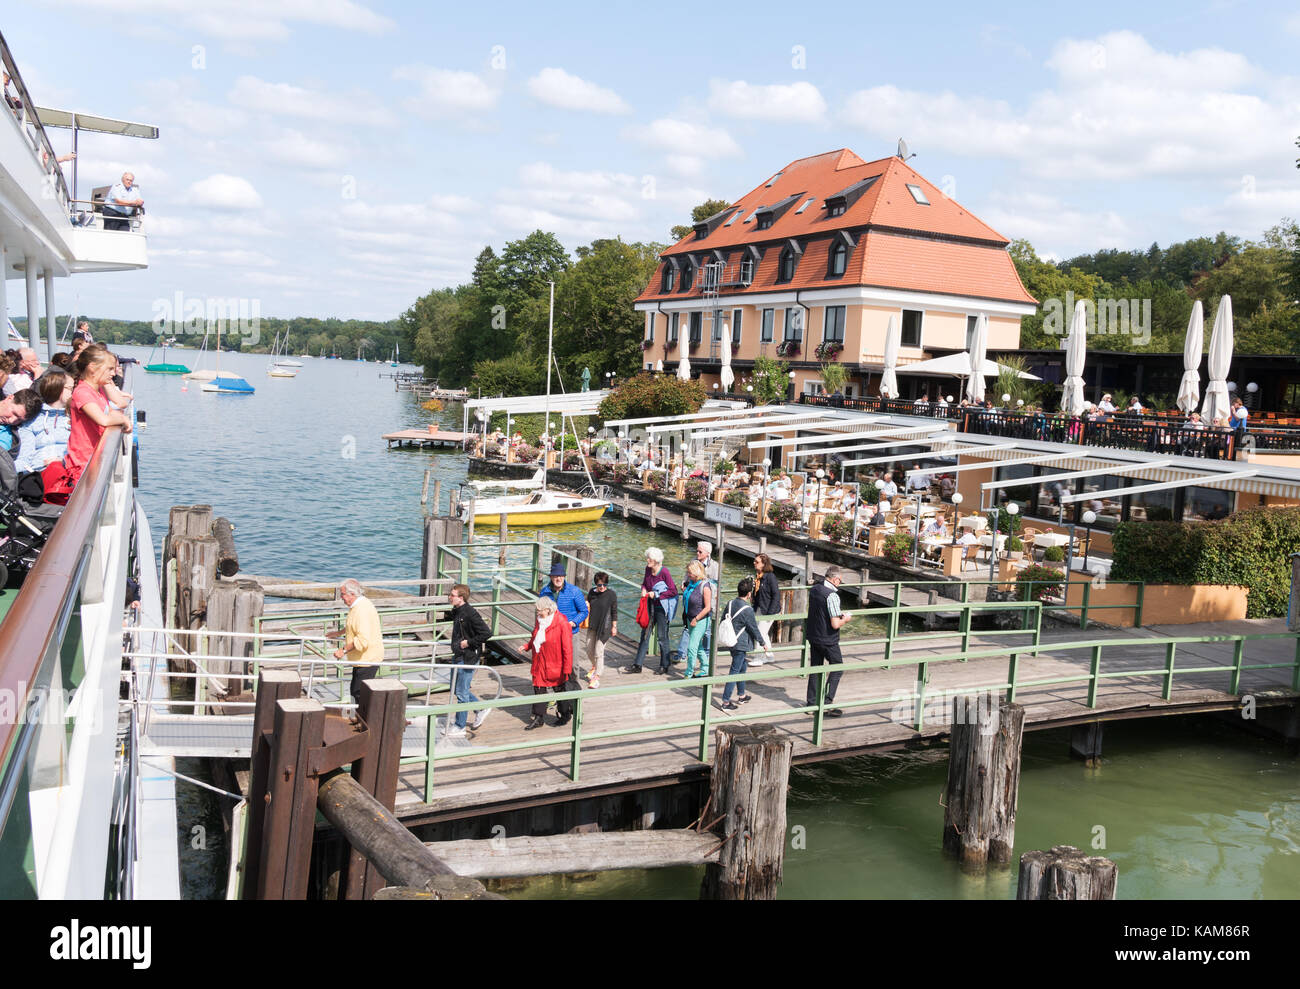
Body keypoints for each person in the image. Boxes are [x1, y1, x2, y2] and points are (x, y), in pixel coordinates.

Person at [64, 346, 131, 485]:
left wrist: (104, 383)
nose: (114, 373)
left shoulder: (97, 390)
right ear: (92, 367)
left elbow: (111, 410)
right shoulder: (82, 392)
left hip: (95, 457)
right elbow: (103, 420)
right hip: (83, 461)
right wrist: (123, 419)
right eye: (110, 369)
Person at [803, 565, 851, 718]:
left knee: (815, 669)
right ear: (835, 580)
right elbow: (835, 624)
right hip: (828, 639)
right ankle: (827, 702)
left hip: (813, 635)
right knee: (837, 668)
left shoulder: (816, 589)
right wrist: (846, 619)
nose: (839, 584)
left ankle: (811, 704)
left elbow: (820, 612)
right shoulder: (832, 595)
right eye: (840, 581)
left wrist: (837, 614)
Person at [444, 583, 491, 738]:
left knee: (462, 693)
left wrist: (469, 643)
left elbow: (486, 633)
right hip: (458, 655)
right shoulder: (457, 611)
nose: (449, 597)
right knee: (456, 689)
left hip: (467, 657)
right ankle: (480, 709)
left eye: (452, 595)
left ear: (461, 598)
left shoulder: (470, 613)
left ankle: (460, 726)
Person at [522, 597, 573, 730]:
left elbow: (567, 648)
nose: (537, 613)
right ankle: (539, 718)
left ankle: (565, 714)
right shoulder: (540, 621)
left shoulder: (562, 623)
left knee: (559, 690)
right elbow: (535, 637)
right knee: (538, 689)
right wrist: (527, 646)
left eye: (540, 610)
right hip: (540, 662)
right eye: (537, 610)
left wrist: (567, 668)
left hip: (556, 663)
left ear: (548, 610)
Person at [331, 579, 384, 701]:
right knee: (356, 691)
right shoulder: (359, 604)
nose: (341, 597)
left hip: (367, 658)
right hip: (362, 658)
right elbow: (354, 625)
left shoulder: (361, 610)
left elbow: (362, 640)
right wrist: (339, 633)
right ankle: (360, 716)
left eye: (343, 594)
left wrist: (343, 650)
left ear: (352, 594)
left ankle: (365, 718)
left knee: (359, 693)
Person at [625, 547, 676, 674]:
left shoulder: (664, 572)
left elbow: (673, 591)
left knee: (662, 637)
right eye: (647, 557)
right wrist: (643, 589)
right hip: (649, 605)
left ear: (657, 561)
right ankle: (638, 664)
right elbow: (644, 583)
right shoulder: (648, 569)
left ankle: (664, 665)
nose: (647, 560)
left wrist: (657, 595)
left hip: (661, 607)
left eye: (650, 558)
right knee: (645, 635)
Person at [719, 578, 766, 711]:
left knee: (742, 666)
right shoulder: (748, 610)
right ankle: (726, 702)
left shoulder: (730, 603)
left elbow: (723, 620)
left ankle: (741, 695)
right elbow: (753, 628)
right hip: (740, 643)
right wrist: (763, 643)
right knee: (735, 671)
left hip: (730, 640)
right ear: (749, 594)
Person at [15, 370, 72, 473]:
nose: (74, 392)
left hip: (70, 471)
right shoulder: (33, 420)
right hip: (41, 473)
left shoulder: (75, 417)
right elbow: (24, 457)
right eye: (70, 388)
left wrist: (63, 460)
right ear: (57, 389)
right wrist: (43, 463)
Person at [678, 559, 714, 678]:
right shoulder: (691, 584)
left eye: (690, 572)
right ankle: (705, 667)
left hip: (700, 620)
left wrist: (696, 619)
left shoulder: (705, 586)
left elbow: (708, 607)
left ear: (697, 572)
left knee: (692, 647)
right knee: (698, 647)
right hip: (690, 618)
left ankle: (689, 672)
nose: (688, 575)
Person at [584, 571, 618, 689]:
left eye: (604, 584)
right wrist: (586, 603)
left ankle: (597, 677)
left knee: (599, 652)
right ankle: (595, 667)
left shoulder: (611, 594)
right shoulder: (592, 593)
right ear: (596, 584)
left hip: (605, 627)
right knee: (588, 649)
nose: (602, 587)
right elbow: (588, 602)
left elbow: (614, 611)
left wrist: (614, 626)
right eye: (599, 585)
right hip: (593, 625)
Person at [538, 561, 589, 633]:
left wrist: (574, 622)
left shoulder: (574, 591)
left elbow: (584, 611)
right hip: (551, 632)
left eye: (561, 576)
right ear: (551, 577)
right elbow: (540, 611)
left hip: (570, 632)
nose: (558, 579)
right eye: (555, 576)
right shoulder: (544, 592)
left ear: (564, 576)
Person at [752, 552, 780, 666]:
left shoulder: (770, 577)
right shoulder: (758, 576)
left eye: (757, 562)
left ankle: (759, 657)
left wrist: (770, 613)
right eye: (754, 561)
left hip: (769, 610)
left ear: (764, 564)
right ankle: (769, 655)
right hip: (760, 607)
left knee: (759, 632)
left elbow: (776, 595)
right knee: (763, 633)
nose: (754, 563)